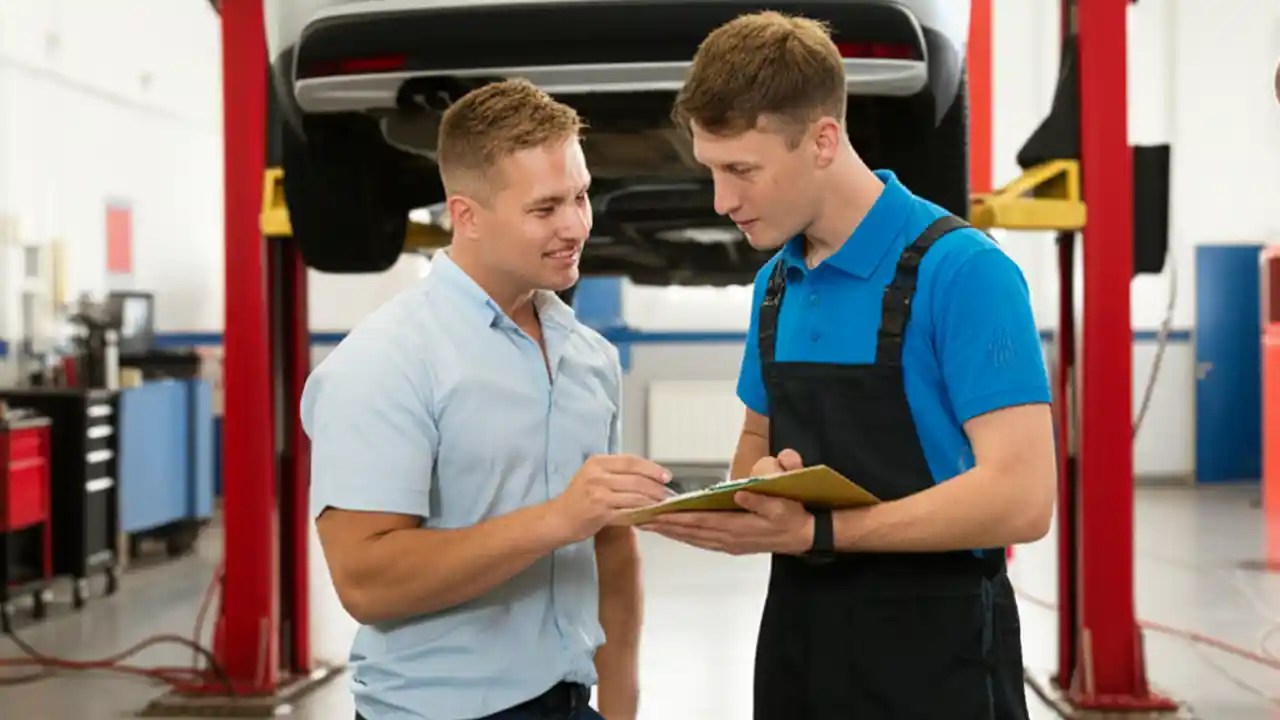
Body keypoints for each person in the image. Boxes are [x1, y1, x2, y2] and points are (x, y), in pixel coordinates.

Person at [645, 11, 1057, 720]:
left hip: (938, 653)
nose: (722, 201)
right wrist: (757, 487)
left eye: (742, 170)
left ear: (823, 141)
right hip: (799, 642)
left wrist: (821, 532)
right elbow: (754, 441)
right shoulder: (778, 281)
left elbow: (1022, 499)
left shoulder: (963, 272)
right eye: (712, 170)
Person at [301, 78, 673, 720]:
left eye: (581, 197)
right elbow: (365, 579)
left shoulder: (588, 357)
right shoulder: (386, 361)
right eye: (545, 208)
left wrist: (619, 702)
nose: (575, 226)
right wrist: (556, 519)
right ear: (466, 215)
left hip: (571, 702)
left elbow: (610, 544)